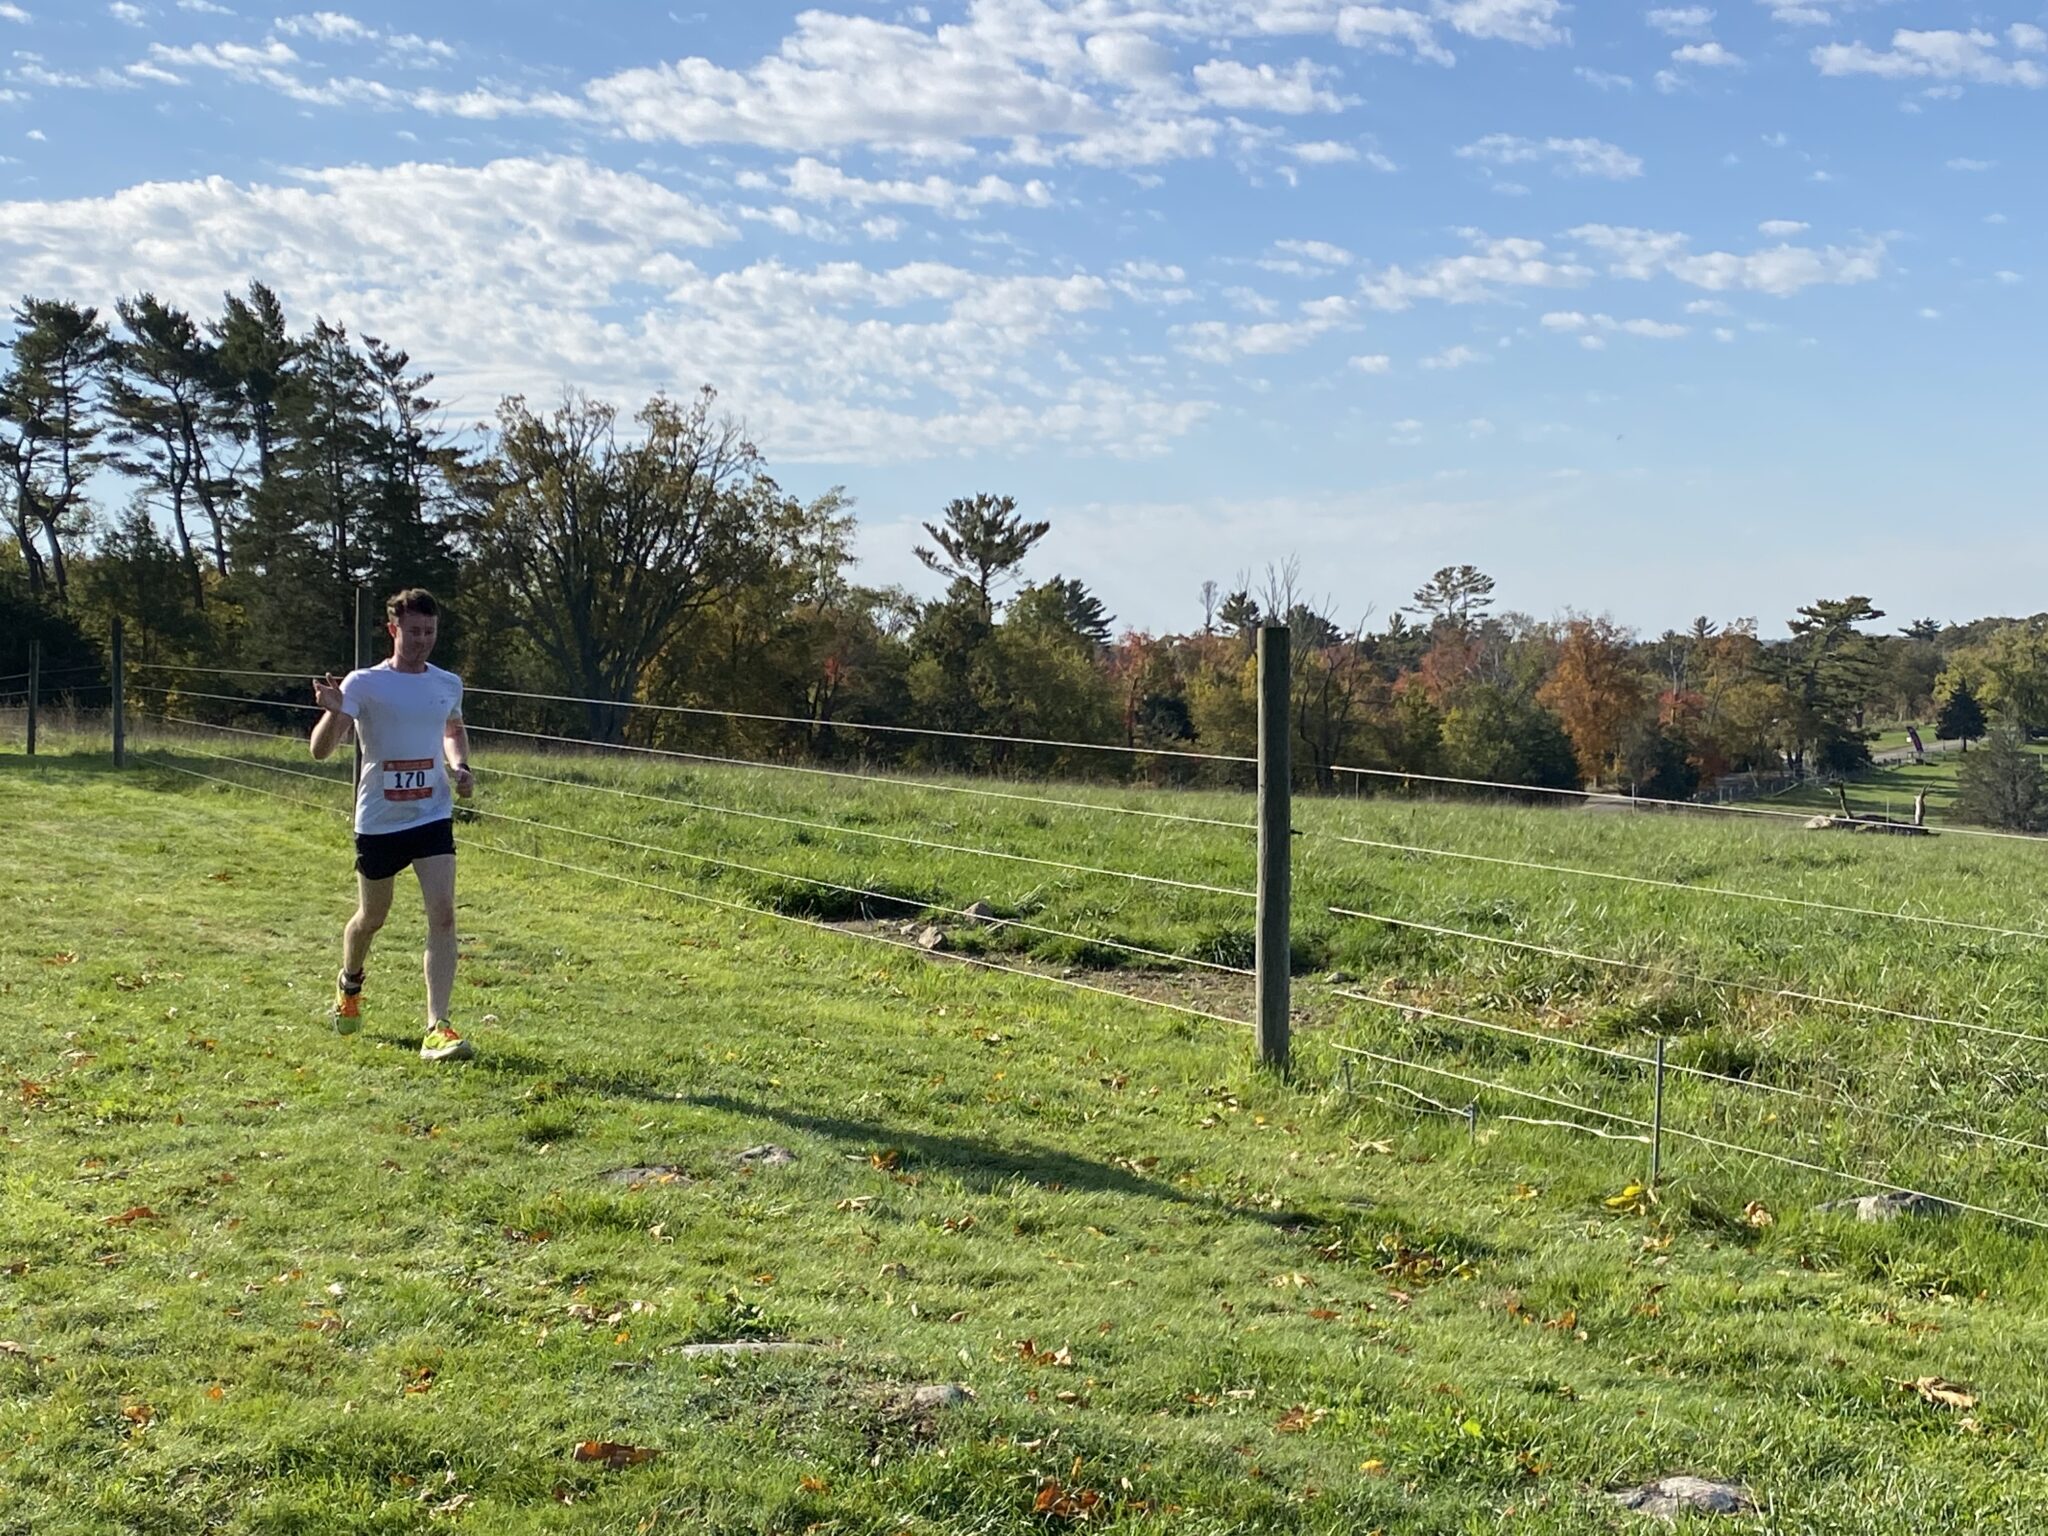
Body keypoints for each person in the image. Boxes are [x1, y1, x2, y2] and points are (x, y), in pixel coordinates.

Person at [309, 588, 477, 1062]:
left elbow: (452, 729)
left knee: (443, 915)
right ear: (393, 630)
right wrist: (333, 708)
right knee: (371, 919)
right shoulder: (364, 684)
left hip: (431, 814)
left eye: (430, 631)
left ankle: (437, 1027)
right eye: (414, 631)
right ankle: (350, 981)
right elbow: (321, 752)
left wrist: (460, 766)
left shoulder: (448, 683)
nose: (423, 640)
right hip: (380, 820)